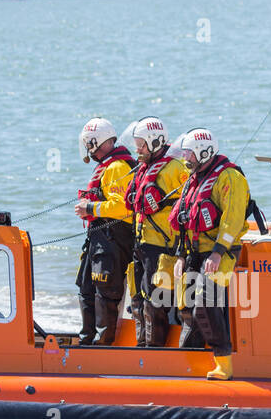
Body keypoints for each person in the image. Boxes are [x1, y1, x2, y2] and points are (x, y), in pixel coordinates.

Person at [171, 128, 250, 381]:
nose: (186, 159)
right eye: (185, 153)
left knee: (206, 304)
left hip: (221, 252)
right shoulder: (194, 178)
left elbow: (233, 220)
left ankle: (224, 362)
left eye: (190, 154)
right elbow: (185, 219)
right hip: (195, 251)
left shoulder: (229, 178)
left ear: (205, 152)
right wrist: (181, 255)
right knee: (188, 308)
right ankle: (189, 360)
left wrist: (217, 253)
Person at [123, 117, 187, 347]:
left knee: (155, 301)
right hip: (141, 242)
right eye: (137, 144)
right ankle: (141, 346)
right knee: (138, 297)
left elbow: (188, 203)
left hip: (161, 244)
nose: (137, 149)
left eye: (141, 145)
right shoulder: (143, 169)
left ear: (157, 142)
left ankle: (154, 350)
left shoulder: (176, 169)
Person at [75, 117, 136, 345]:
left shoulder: (118, 167)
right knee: (85, 288)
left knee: (106, 293)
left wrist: (90, 207)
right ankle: (86, 339)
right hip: (98, 239)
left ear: (94, 143)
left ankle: (102, 345)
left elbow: (123, 208)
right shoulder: (108, 166)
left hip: (113, 240)